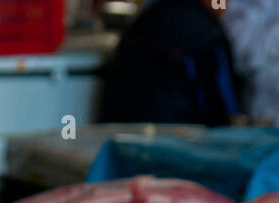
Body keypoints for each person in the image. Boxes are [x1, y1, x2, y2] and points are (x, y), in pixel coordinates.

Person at [99, 0, 241, 127]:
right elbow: (225, 114)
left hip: (120, 140)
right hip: (176, 143)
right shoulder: (207, 35)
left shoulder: (146, 18)